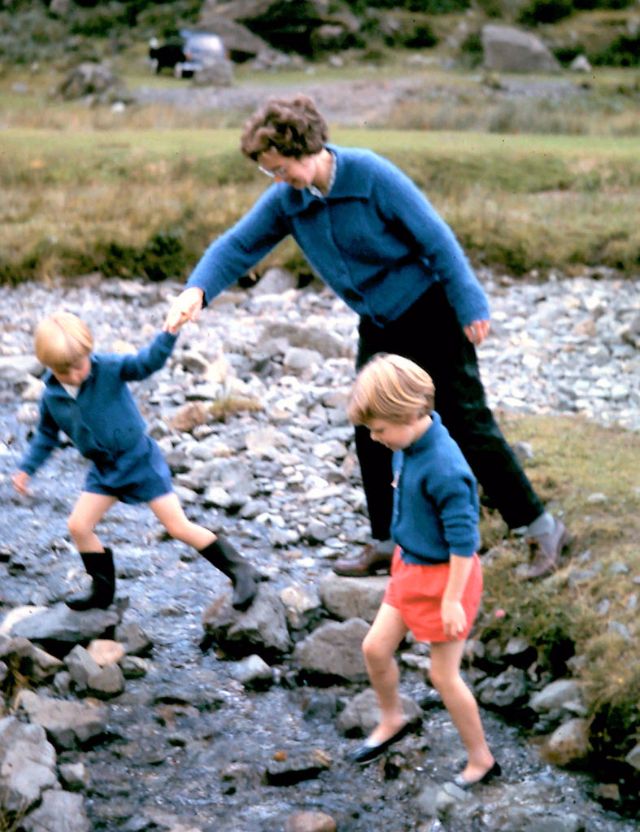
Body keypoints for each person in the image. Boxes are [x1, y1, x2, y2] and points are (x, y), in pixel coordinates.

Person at [163, 93, 569, 581]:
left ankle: (540, 527)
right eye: (268, 171)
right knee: (369, 423)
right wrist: (197, 291)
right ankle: (387, 541)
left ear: (309, 148)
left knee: (466, 422)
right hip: (377, 324)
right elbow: (237, 244)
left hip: (431, 311)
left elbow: (436, 238)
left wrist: (470, 303)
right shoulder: (288, 201)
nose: (277, 179)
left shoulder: (371, 176)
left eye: (281, 167)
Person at [12, 311, 259, 612]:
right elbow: (46, 437)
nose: (76, 375)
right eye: (65, 372)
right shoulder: (51, 396)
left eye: (79, 366)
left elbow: (146, 363)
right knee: (78, 526)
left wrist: (169, 333)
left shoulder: (109, 369)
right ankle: (102, 591)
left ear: (89, 352)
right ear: (49, 366)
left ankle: (241, 571)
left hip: (139, 460)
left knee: (177, 526)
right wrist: (27, 469)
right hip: (104, 469)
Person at [344, 354, 500, 788]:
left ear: (411, 414)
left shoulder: (447, 471)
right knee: (375, 649)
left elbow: (465, 545)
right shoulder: (406, 442)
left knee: (442, 675)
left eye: (379, 430)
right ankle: (392, 718)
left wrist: (451, 599)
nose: (374, 439)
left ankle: (481, 758)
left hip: (446, 579)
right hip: (409, 567)